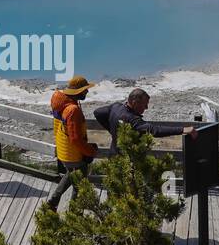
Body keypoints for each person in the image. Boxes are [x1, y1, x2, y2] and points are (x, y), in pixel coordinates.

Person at [46, 75, 99, 210]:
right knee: (79, 186)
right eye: (85, 90)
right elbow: (75, 138)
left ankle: (53, 201)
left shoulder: (59, 100)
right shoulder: (73, 110)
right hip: (73, 154)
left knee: (71, 174)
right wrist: (89, 151)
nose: (87, 92)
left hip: (63, 150)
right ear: (78, 91)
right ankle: (74, 215)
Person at [93, 88, 196, 155]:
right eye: (144, 104)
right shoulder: (132, 119)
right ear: (134, 102)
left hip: (113, 156)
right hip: (129, 161)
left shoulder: (116, 107)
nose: (146, 108)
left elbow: (97, 112)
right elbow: (154, 130)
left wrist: (113, 131)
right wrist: (183, 129)